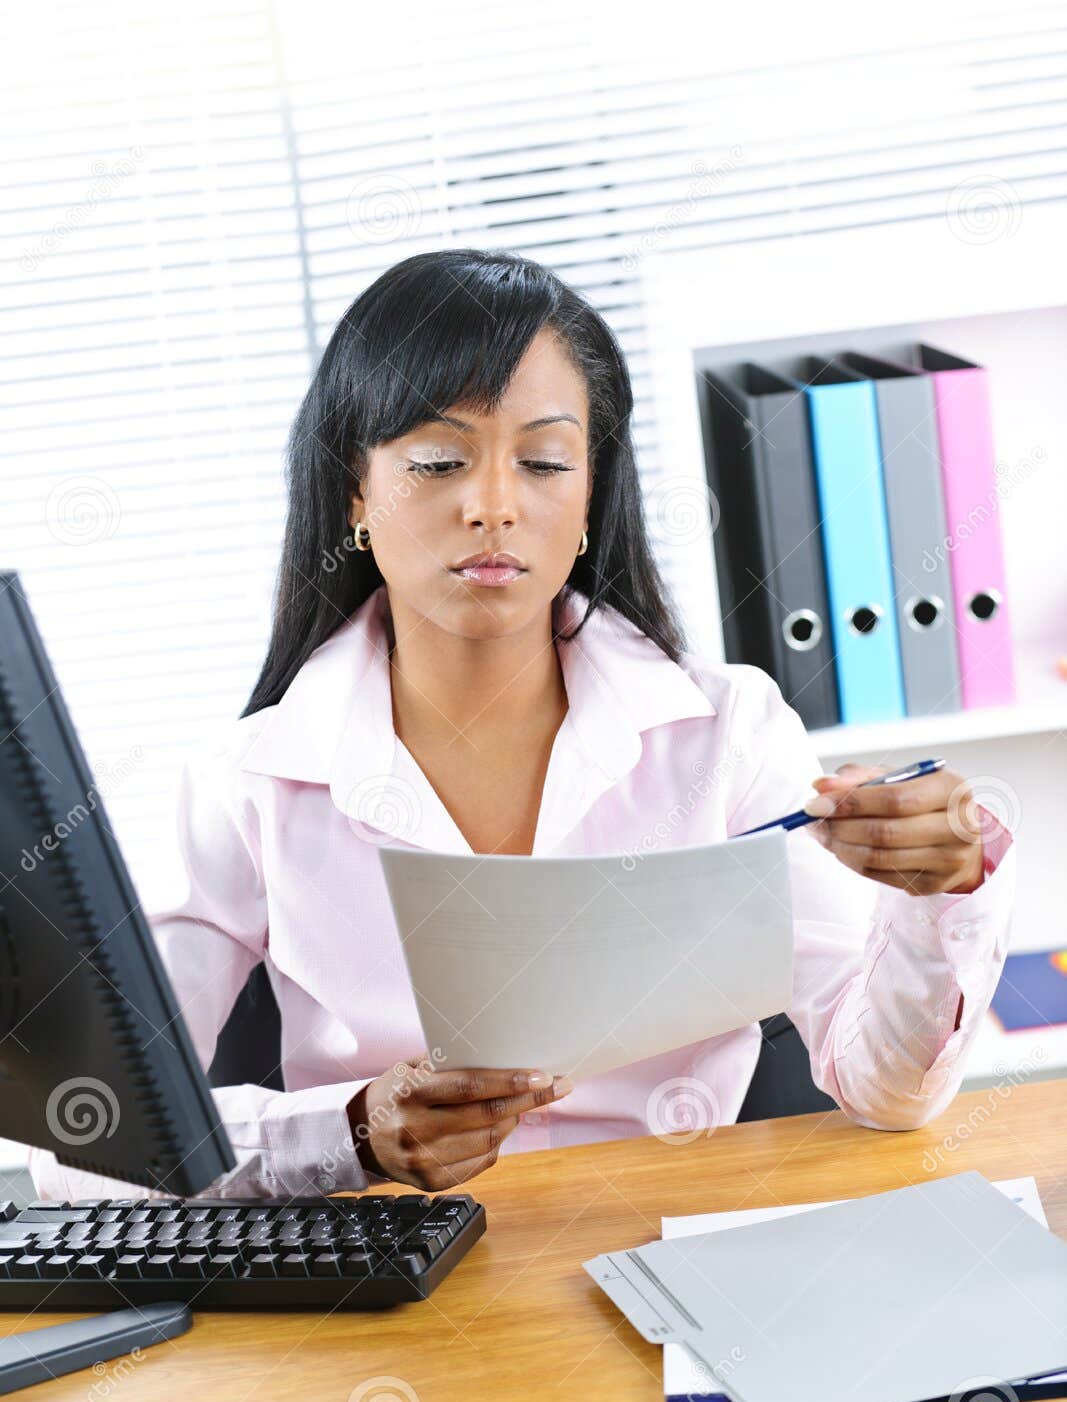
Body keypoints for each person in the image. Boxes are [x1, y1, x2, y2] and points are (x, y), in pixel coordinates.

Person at [28, 249, 1013, 1202]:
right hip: (397, 1282)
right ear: (354, 493)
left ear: (590, 496)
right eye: (438, 459)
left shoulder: (724, 730)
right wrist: (349, 1134)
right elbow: (85, 1147)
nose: (492, 505)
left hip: (682, 1248)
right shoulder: (249, 779)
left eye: (543, 461)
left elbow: (886, 1092)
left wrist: (938, 899)